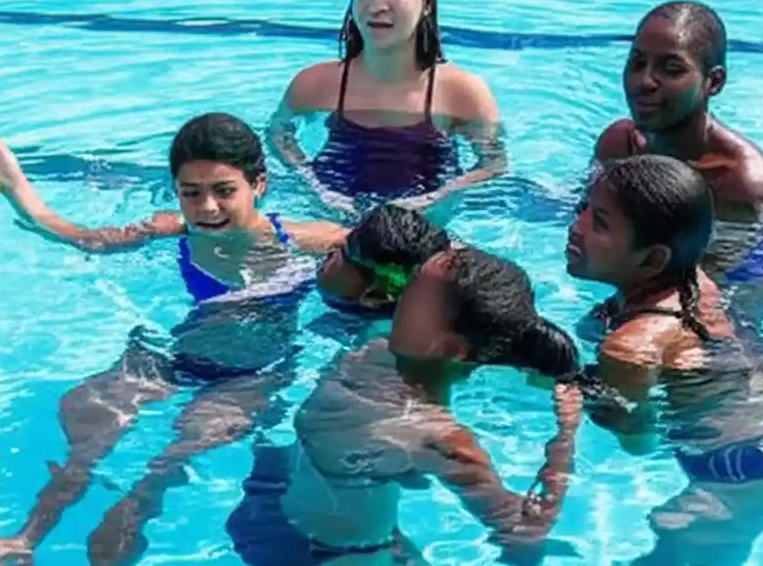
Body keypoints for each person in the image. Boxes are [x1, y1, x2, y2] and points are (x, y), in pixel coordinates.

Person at [0, 113, 347, 566]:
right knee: (86, 440)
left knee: (161, 469)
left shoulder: (305, 241)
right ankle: (23, 539)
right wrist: (16, 186)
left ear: (259, 184)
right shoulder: (167, 229)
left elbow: (403, 256)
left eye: (224, 191)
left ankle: (131, 519)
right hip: (170, 356)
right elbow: (81, 238)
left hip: (250, 376)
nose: (208, 208)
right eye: (191, 193)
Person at [227, 204, 584, 564]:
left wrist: (565, 438)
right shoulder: (377, 351)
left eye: (414, 293)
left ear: (450, 348)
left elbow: (524, 538)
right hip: (279, 509)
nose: (397, 294)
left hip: (332, 557)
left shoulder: (439, 438)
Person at [566, 154, 763, 565]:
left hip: (733, 480)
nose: (575, 227)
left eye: (600, 222)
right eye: (583, 210)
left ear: (652, 260)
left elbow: (639, 440)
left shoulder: (631, 348)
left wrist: (591, 395)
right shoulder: (695, 280)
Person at [266, 0, 505, 219]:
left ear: (427, 2)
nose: (377, 5)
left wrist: (436, 198)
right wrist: (312, 185)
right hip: (333, 225)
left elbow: (492, 164)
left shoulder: (462, 92)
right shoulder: (315, 85)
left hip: (423, 231)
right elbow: (278, 135)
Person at [592, 1, 763, 316]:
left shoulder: (743, 183)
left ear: (713, 82)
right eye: (637, 63)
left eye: (671, 69)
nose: (644, 81)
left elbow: (739, 294)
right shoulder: (619, 145)